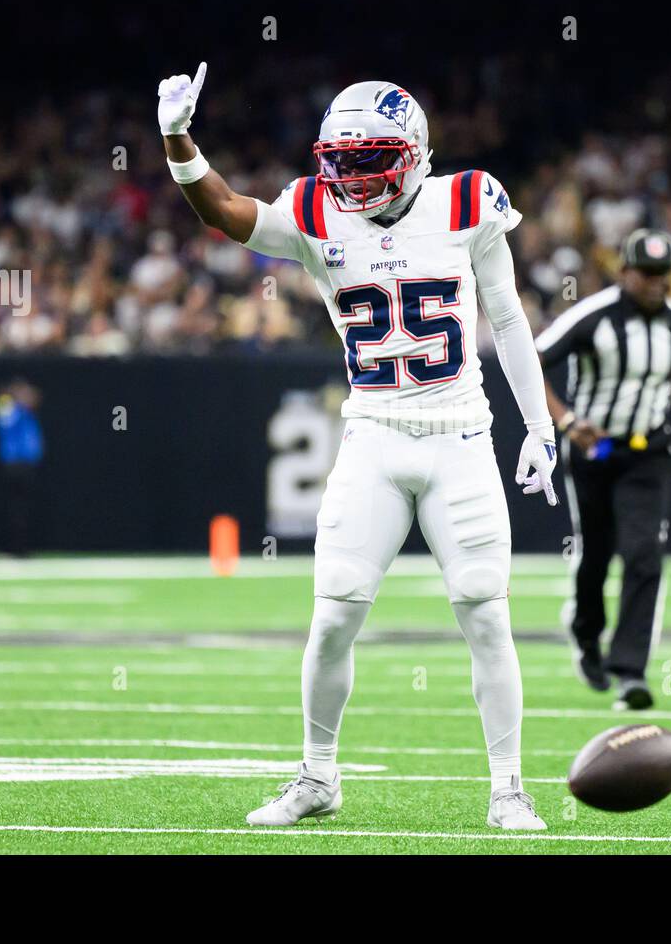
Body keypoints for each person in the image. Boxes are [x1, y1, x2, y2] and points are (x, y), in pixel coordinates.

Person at [159, 65, 557, 829]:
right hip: (372, 434)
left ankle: (508, 788)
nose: (349, 175)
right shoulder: (314, 211)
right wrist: (178, 139)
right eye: (338, 159)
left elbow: (507, 321)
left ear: (412, 153)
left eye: (368, 157)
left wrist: (537, 427)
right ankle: (317, 777)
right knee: (334, 615)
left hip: (461, 434)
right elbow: (226, 213)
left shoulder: (467, 201)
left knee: (484, 614)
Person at [536, 229, 671, 710]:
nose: (656, 283)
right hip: (598, 450)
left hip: (648, 450)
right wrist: (566, 420)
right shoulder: (593, 315)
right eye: (647, 274)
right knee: (597, 554)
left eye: (663, 274)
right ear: (625, 272)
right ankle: (585, 633)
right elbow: (531, 359)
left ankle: (629, 668)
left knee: (644, 551)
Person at [0, 379, 44, 556]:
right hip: (14, 465)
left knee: (23, 508)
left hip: (26, 466)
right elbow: (3, 411)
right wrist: (9, 395)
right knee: (14, 508)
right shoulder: (8, 409)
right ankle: (13, 549)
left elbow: (36, 398)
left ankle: (21, 548)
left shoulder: (27, 412)